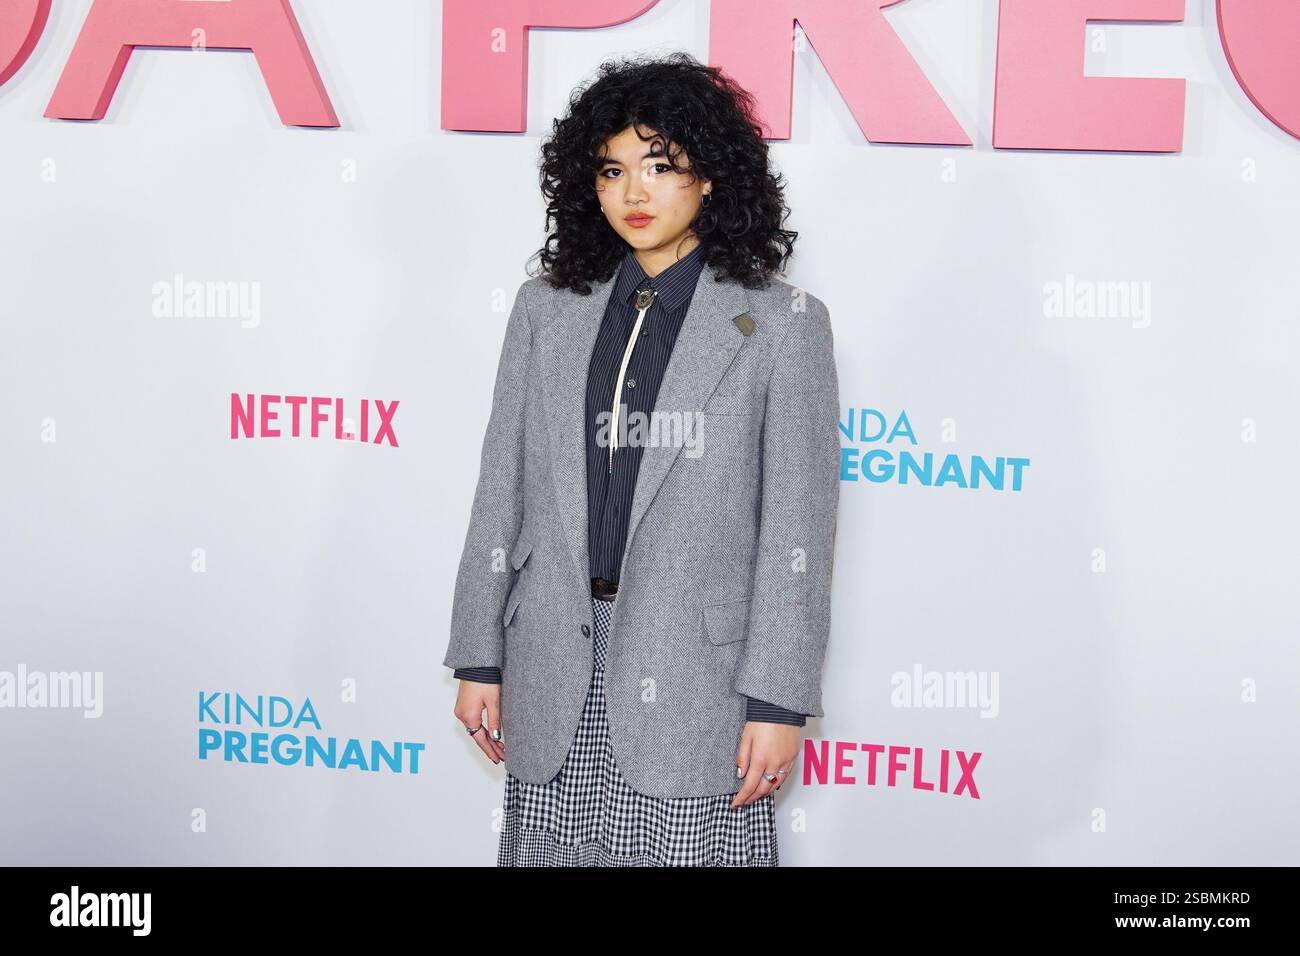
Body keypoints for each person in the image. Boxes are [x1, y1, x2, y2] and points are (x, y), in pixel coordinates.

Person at [444, 51, 840, 866]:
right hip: (552, 658)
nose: (634, 193)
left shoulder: (783, 323)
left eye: (661, 167)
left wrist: (779, 701)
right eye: (612, 169)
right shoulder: (546, 309)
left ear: (712, 178)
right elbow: (502, 483)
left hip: (699, 680)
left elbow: (798, 530)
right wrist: (479, 652)